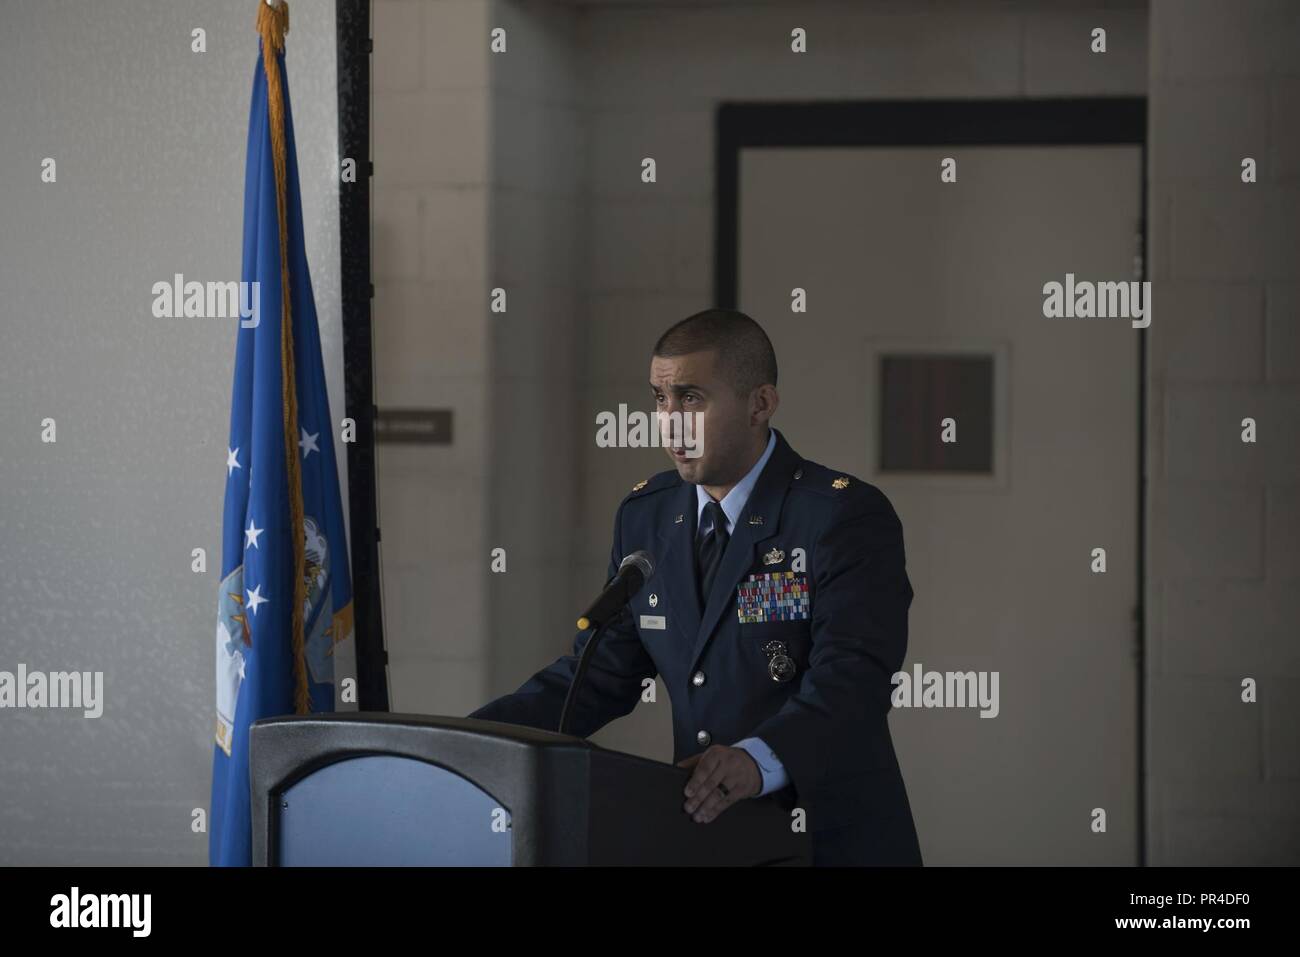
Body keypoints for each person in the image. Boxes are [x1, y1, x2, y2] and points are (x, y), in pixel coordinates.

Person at [469, 308, 922, 866]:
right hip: (709, 840)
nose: (670, 422)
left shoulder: (839, 515)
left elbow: (854, 679)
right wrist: (470, 744)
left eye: (691, 398)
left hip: (828, 841)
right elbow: (598, 675)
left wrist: (759, 760)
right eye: (660, 399)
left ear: (760, 404)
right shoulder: (647, 516)